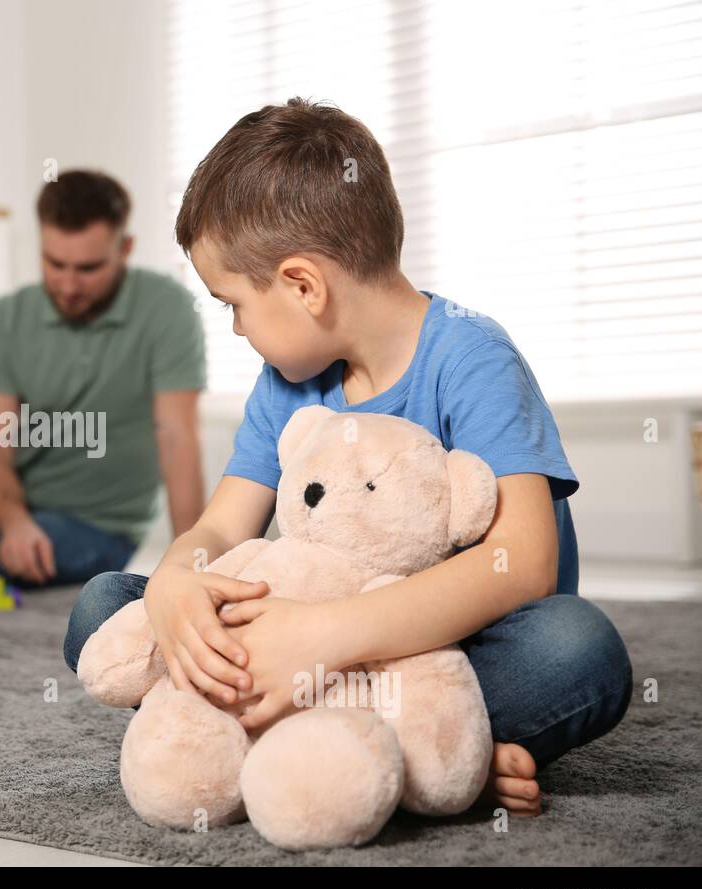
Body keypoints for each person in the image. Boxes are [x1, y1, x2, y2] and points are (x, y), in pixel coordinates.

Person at [63, 99, 632, 816]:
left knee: (578, 651)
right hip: (298, 638)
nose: (235, 328)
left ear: (303, 285)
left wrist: (324, 639)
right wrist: (177, 584)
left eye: (232, 304)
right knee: (104, 608)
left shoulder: (472, 356)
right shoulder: (288, 384)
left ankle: (365, 746)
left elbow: (523, 563)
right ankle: (418, 765)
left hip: (439, 653)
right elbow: (219, 529)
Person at [0, 170, 207, 591]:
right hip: (17, 495)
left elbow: (177, 440)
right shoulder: (7, 317)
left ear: (125, 248)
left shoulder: (167, 307)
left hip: (100, 523)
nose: (67, 285)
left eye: (88, 268)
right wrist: (14, 522)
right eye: (54, 263)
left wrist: (194, 564)